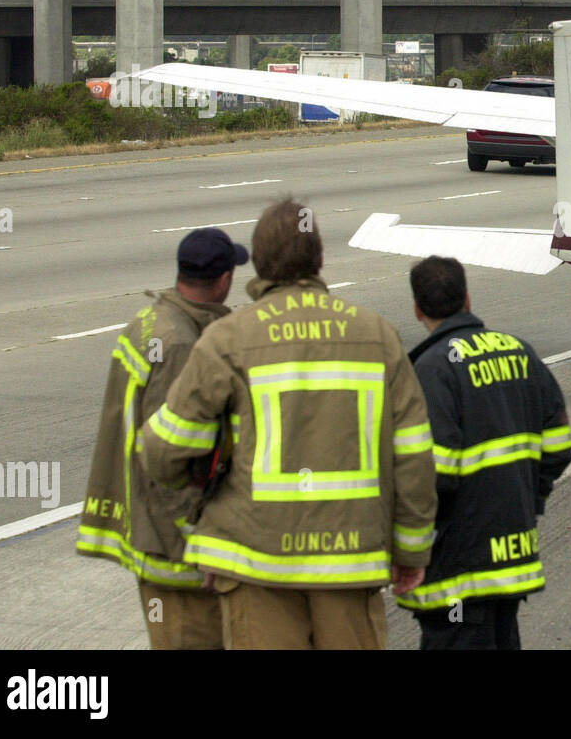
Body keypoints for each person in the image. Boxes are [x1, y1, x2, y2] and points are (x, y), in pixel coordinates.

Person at [138, 198, 437, 649]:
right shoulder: (376, 334)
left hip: (255, 563)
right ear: (318, 260)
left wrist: (200, 505)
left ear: (258, 263)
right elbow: (413, 457)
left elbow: (163, 450)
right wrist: (411, 550)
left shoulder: (229, 338)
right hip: (350, 562)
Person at [77, 227, 249, 649]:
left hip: (150, 529)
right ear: (225, 280)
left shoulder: (150, 321)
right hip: (176, 550)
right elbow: (170, 455)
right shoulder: (181, 347)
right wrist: (200, 540)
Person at [400, 255, 571, 650]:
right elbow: (559, 445)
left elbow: (433, 475)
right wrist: (528, 499)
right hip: (512, 554)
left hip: (459, 563)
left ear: (416, 309)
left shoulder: (432, 369)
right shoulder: (520, 352)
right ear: (468, 299)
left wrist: (411, 541)